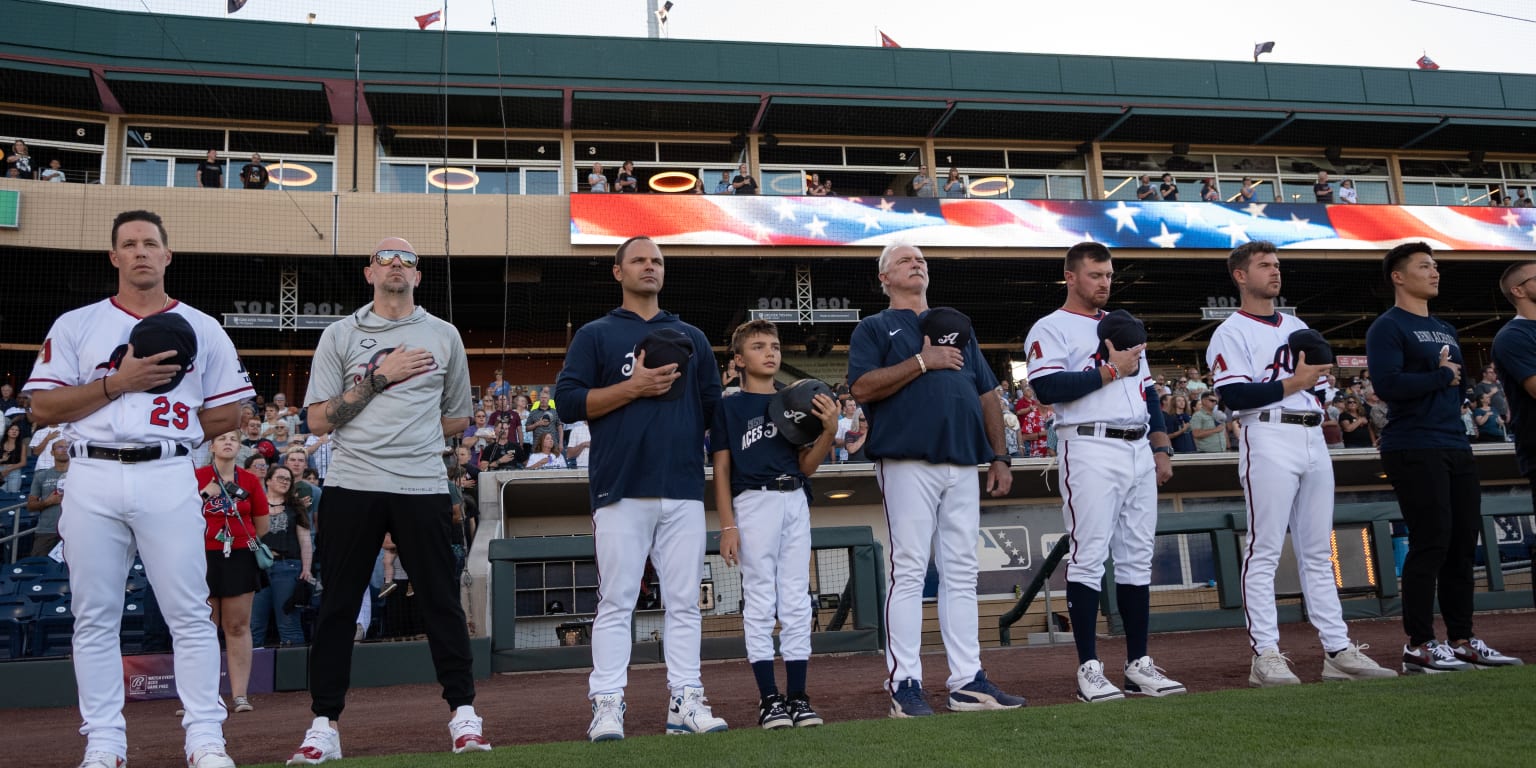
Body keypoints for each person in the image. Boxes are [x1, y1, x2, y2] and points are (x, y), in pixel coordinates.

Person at [25, 209, 251, 768]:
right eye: (130, 244)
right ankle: (104, 742)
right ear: (115, 257)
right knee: (94, 615)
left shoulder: (202, 325)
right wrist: (116, 384)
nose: (142, 252)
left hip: (169, 471)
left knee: (190, 613)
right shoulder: (77, 323)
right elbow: (42, 406)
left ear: (167, 256)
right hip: (92, 471)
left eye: (151, 243)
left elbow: (236, 408)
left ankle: (205, 738)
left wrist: (179, 423)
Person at [287, 237, 487, 764]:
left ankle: (464, 717)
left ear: (418, 277)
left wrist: (412, 436)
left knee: (442, 601)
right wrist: (381, 378)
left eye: (408, 259)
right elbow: (315, 420)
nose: (397, 264)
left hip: (420, 483)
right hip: (351, 483)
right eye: (385, 257)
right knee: (337, 606)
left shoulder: (444, 335)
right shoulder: (341, 333)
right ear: (369, 273)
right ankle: (324, 724)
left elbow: (457, 416)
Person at [555, 235, 726, 741]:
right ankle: (607, 704)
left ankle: (685, 699)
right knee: (616, 601)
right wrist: (634, 387)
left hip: (682, 486)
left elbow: (715, 411)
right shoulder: (596, 334)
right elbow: (567, 403)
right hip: (620, 487)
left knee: (685, 602)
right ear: (618, 272)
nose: (650, 267)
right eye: (639, 260)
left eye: (657, 261)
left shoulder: (691, 335)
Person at [848, 243, 1024, 717]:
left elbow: (987, 393)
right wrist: (923, 361)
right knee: (908, 570)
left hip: (964, 461)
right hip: (906, 460)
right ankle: (905, 682)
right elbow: (861, 388)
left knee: (962, 573)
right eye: (905, 260)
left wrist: (1001, 457)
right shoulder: (875, 327)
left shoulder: (957, 326)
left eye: (921, 259)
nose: (917, 263)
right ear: (884, 278)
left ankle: (967, 680)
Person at [1208, 240, 1395, 686]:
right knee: (1265, 548)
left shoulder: (1296, 323)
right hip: (1267, 431)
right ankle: (1266, 654)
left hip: (1313, 433)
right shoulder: (1230, 330)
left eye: (1277, 265)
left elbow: (1324, 387)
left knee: (1317, 549)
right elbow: (1233, 395)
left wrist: (1311, 384)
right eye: (1264, 266)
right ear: (1240, 275)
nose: (1275, 272)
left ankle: (1336, 649)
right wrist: (1298, 382)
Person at [1025, 241, 1184, 704]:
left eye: (1109, 275)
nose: (1104, 282)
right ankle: (1089, 668)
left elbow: (1150, 391)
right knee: (1089, 556)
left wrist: (1160, 447)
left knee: (1137, 557)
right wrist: (1110, 371)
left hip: (1136, 447)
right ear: (1071, 277)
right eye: (1095, 274)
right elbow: (1047, 386)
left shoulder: (1124, 325)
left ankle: (1138, 664)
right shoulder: (1052, 326)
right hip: (1089, 443)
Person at [1369, 243, 1523, 672]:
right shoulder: (1387, 327)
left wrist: (1444, 382)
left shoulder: (1446, 329)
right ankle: (1419, 644)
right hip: (1413, 444)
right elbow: (1387, 385)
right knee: (1431, 540)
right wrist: (1439, 376)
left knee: (1460, 544)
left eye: (1435, 266)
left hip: (1454, 443)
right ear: (1398, 277)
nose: (1434, 272)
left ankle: (1462, 638)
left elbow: (1456, 390)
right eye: (1424, 266)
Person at [712, 319, 838, 729]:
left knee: (798, 599)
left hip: (794, 498)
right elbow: (722, 469)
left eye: (776, 346)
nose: (771, 353)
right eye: (759, 346)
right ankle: (770, 700)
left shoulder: (794, 398)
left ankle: (798, 697)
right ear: (739, 358)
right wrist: (727, 525)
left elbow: (806, 466)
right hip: (753, 502)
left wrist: (830, 431)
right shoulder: (728, 404)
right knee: (762, 600)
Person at [196, 430, 270, 714]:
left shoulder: (250, 480)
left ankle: (239, 695)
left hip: (239, 556)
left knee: (237, 627)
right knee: (205, 628)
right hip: (202, 556)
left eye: (234, 440)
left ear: (239, 448)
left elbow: (261, 526)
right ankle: (203, 697)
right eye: (222, 438)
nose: (228, 443)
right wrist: (205, 494)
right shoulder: (196, 477)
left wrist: (238, 537)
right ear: (212, 445)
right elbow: (180, 516)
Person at [250, 464, 314, 648]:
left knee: (289, 624)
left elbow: (305, 541)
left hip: (289, 568)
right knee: (254, 625)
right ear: (268, 480)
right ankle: (252, 674)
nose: (285, 481)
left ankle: (295, 673)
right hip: (258, 569)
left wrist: (307, 569)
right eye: (280, 478)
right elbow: (246, 536)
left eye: (288, 479)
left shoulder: (296, 508)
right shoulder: (254, 505)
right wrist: (257, 550)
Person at [26, 438, 70, 556]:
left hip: (74, 531)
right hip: (47, 531)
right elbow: (30, 506)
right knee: (37, 569)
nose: (64, 450)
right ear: (52, 452)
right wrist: (48, 502)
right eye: (60, 447)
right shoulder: (42, 476)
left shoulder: (80, 474)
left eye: (67, 447)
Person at [0, 422, 26, 493]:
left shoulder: (22, 445)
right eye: (12, 429)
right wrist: (2, 459)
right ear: (7, 431)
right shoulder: (0, 443)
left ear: (19, 433)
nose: (14, 431)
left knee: (13, 494)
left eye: (17, 430)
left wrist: (9, 469)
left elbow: (23, 463)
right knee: (1, 494)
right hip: (1, 471)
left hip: (14, 471)